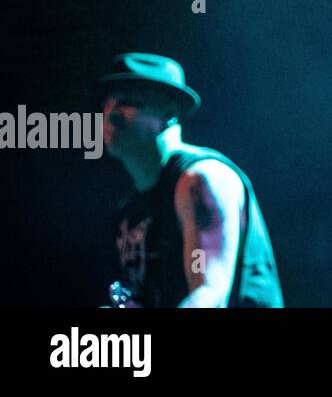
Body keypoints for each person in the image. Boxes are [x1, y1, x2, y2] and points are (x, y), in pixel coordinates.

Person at [97, 52, 283, 307]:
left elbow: (209, 296)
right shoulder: (130, 210)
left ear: (169, 110)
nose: (111, 115)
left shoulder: (199, 180)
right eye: (107, 105)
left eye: (127, 101)